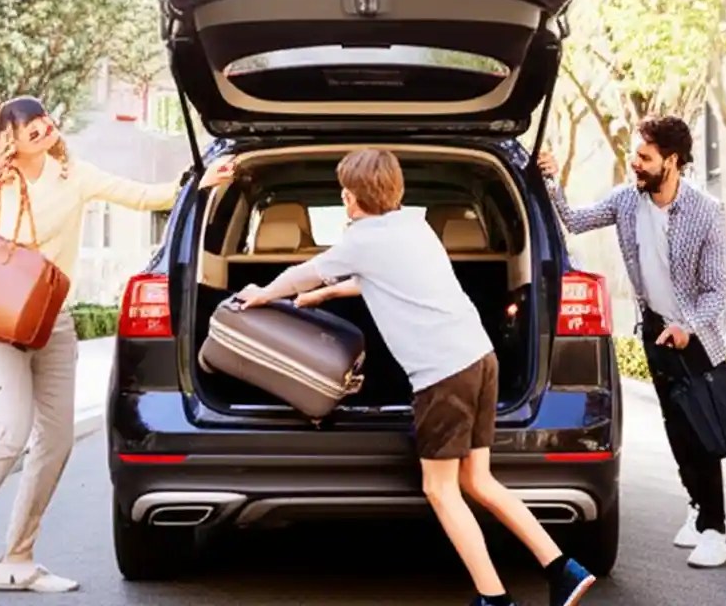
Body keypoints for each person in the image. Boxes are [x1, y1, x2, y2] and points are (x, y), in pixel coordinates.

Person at [236, 149, 596, 606]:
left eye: (345, 191)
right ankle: (563, 569)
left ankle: (494, 599)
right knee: (478, 482)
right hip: (479, 358)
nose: (343, 197)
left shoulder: (361, 240)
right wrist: (326, 294)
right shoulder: (413, 225)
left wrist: (261, 294)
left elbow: (299, 273)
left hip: (443, 374)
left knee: (440, 489)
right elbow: (379, 278)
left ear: (355, 197)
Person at [0, 96, 234, 595]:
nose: (42, 127)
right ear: (8, 134)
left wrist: (198, 181)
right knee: (9, 433)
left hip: (52, 320)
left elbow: (141, 195)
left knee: (55, 441)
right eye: (28, 123)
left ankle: (18, 559)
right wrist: (6, 179)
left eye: (44, 119)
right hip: (1, 318)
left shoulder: (74, 175)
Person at [537, 115, 726, 569]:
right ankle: (697, 507)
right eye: (635, 154)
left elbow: (718, 288)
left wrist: (688, 326)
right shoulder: (627, 201)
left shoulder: (706, 211)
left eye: (645, 157)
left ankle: (716, 529)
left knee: (703, 433)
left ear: (673, 161)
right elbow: (573, 219)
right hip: (655, 330)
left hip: (695, 335)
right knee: (676, 427)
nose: (635, 164)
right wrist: (551, 179)